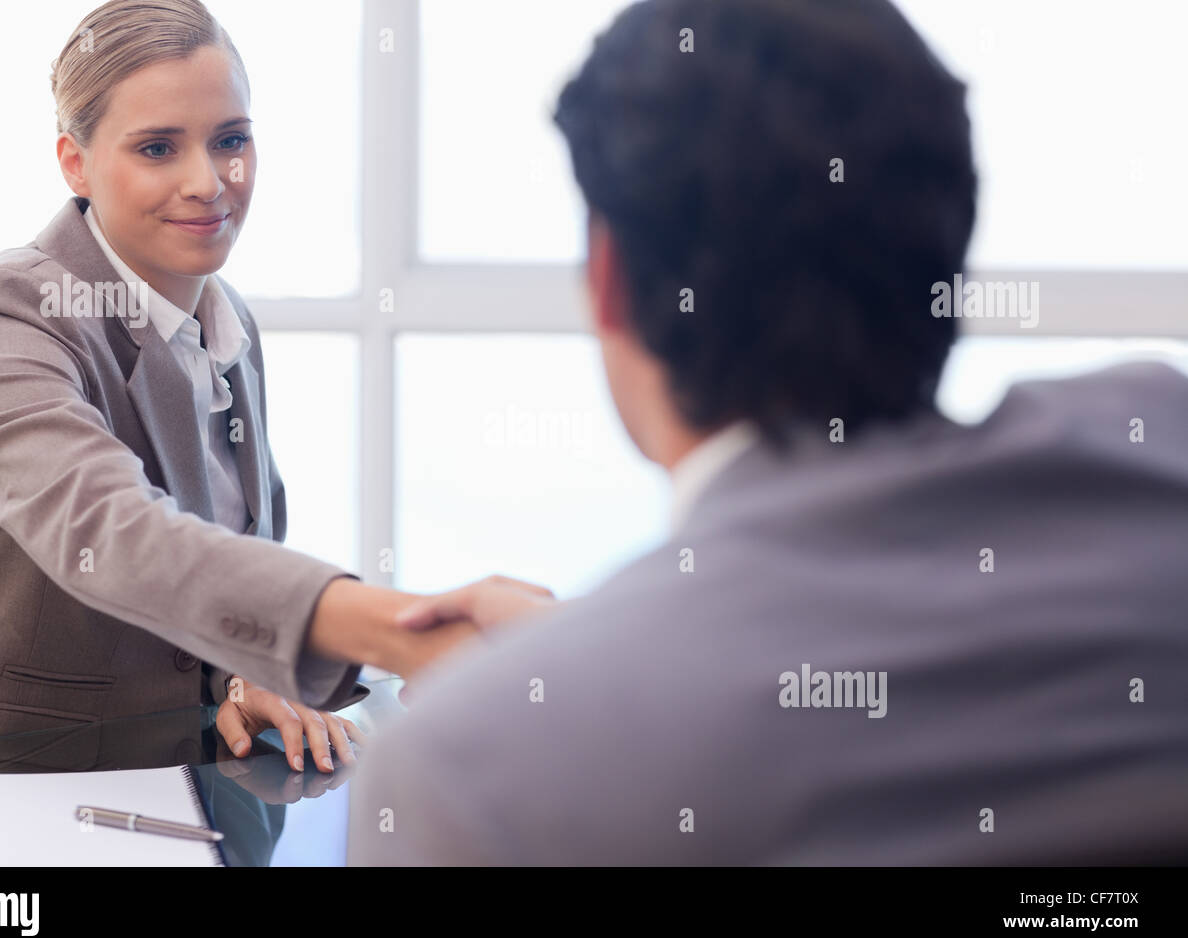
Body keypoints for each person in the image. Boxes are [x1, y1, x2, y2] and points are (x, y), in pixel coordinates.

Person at [349, 0, 1188, 864]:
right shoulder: (1158, 442)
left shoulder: (469, 778)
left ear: (610, 282)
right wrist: (585, 656)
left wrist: (566, 683)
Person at [0, 0, 538, 768]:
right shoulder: (10, 311)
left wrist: (242, 673)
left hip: (198, 768)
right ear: (74, 161)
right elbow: (117, 536)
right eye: (157, 148)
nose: (209, 182)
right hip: (50, 785)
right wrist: (404, 629)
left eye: (231, 141)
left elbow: (217, 558)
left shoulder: (222, 319)